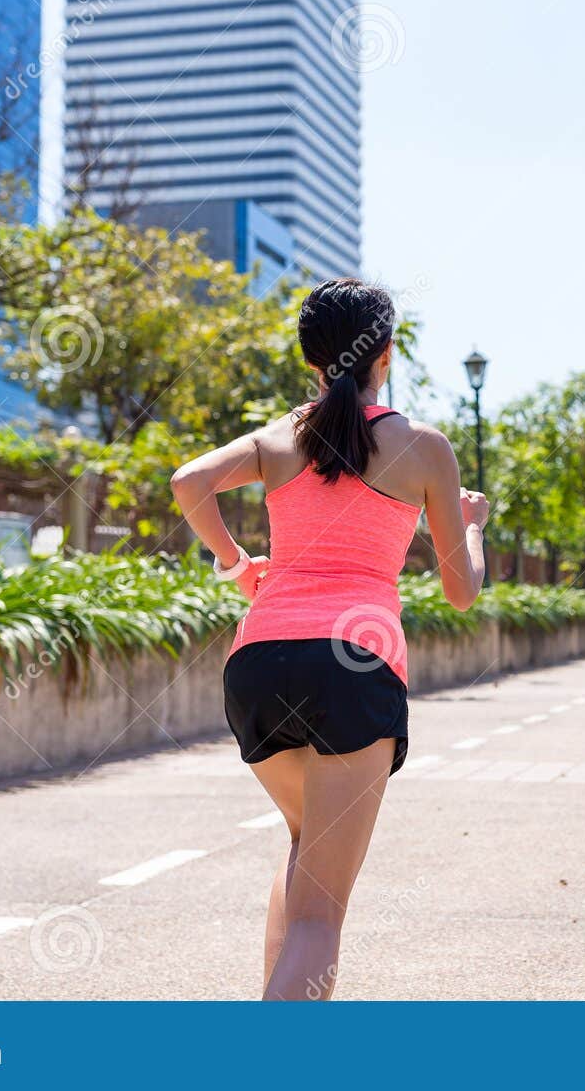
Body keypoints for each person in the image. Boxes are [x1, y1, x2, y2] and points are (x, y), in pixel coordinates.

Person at [170, 278, 489, 1000]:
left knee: (302, 843)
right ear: (388, 351)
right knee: (322, 915)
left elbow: (189, 481)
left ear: (311, 358)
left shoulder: (284, 435)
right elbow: (460, 590)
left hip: (258, 661)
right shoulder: (422, 447)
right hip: (354, 664)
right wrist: (472, 526)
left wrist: (236, 565)